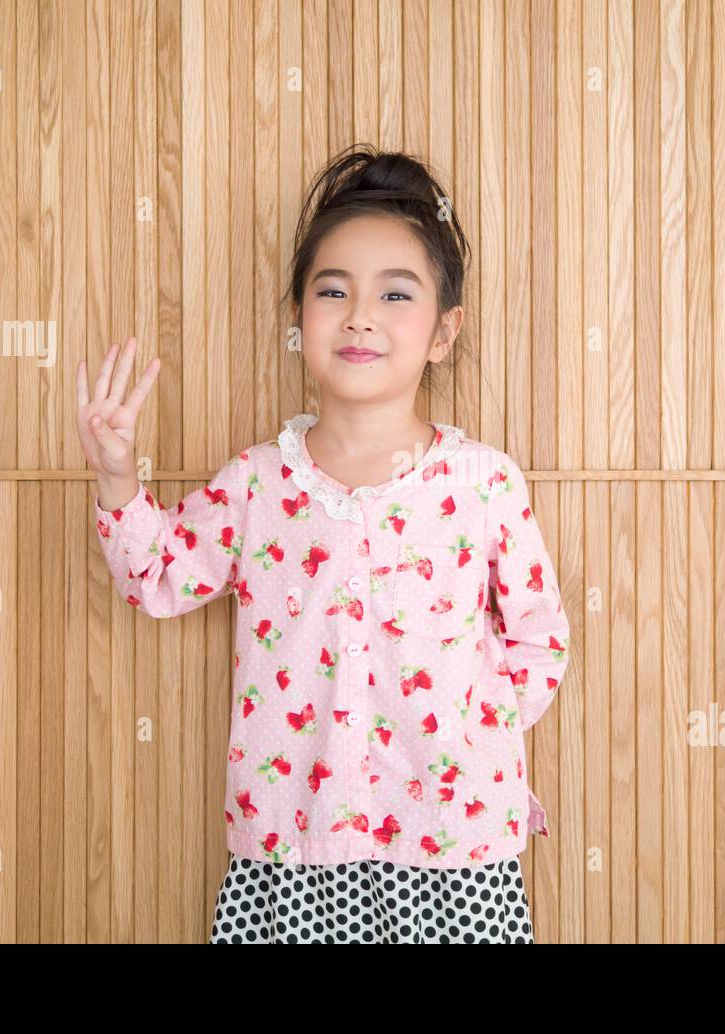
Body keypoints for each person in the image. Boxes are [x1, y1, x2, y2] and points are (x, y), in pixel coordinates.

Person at [76, 145, 570, 943]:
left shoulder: (485, 484)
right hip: (292, 851)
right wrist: (116, 475)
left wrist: (473, 736)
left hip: (456, 850)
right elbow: (158, 579)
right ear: (297, 318)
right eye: (332, 290)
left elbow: (541, 639)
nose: (360, 315)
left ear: (444, 332)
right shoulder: (259, 484)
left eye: (395, 294)